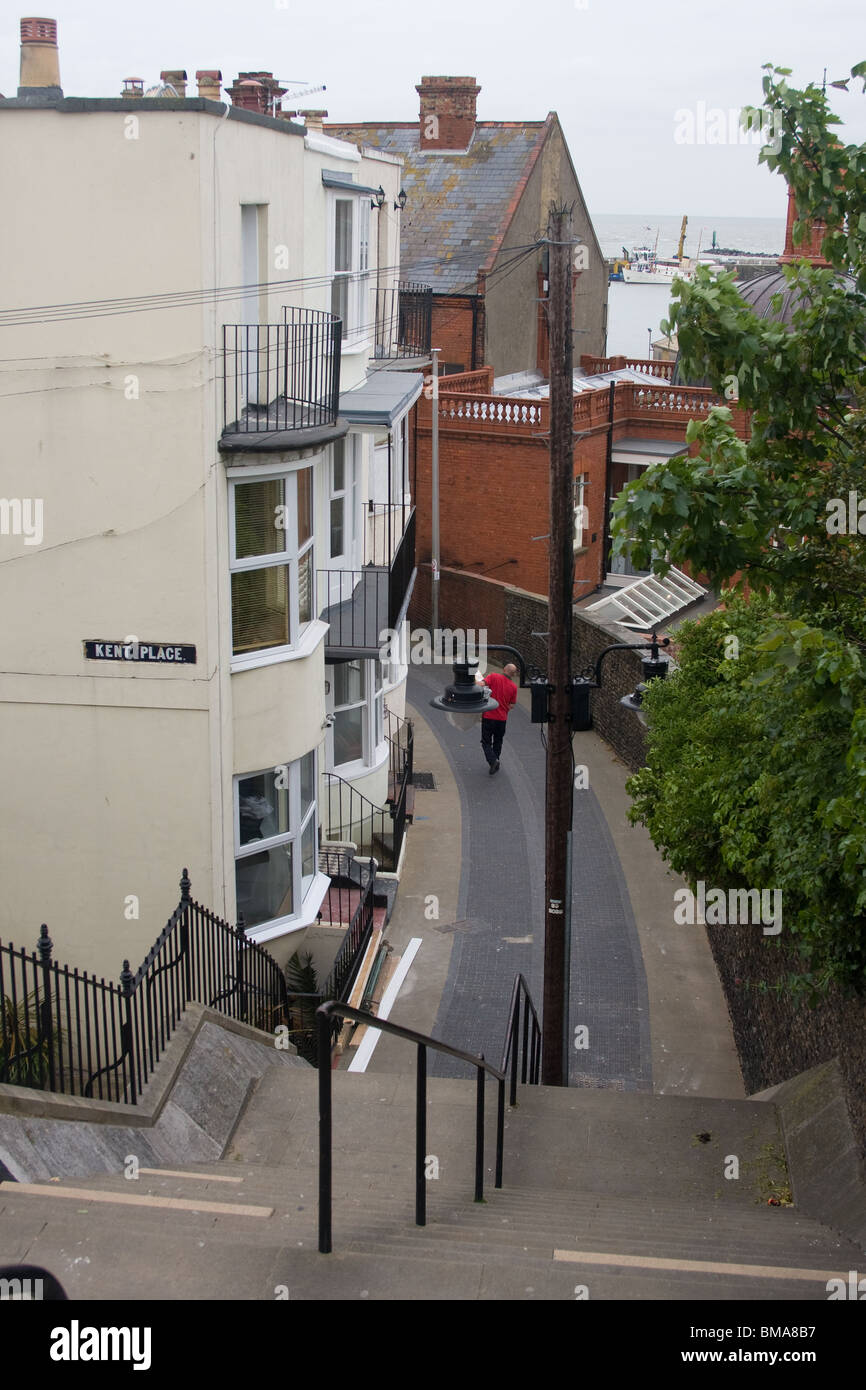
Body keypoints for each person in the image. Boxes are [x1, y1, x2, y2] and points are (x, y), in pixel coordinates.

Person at [480, 664, 518, 774]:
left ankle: (493, 761)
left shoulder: (493, 677)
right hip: (502, 719)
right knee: (498, 741)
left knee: (486, 742)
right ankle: (495, 761)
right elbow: (511, 705)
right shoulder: (514, 687)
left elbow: (481, 684)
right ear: (514, 674)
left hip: (489, 715)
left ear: (504, 669)